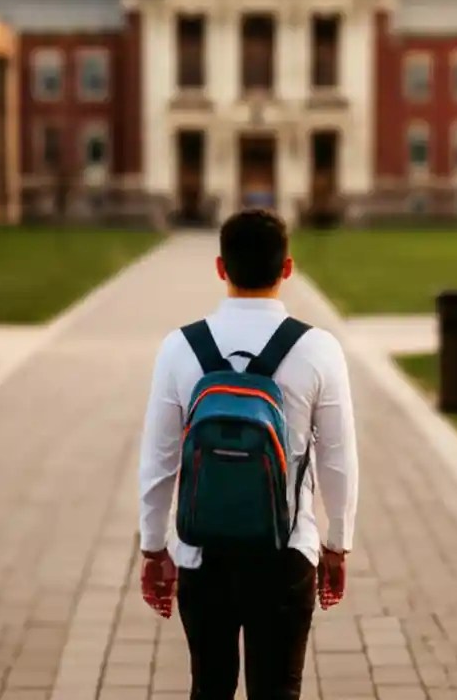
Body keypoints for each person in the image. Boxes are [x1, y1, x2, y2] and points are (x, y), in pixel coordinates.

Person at [137, 208, 360, 700]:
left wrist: (155, 549)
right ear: (287, 269)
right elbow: (338, 459)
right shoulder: (318, 349)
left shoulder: (180, 348)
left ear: (221, 268)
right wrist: (337, 544)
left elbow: (159, 458)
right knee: (278, 691)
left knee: (209, 688)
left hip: (201, 551)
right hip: (284, 552)